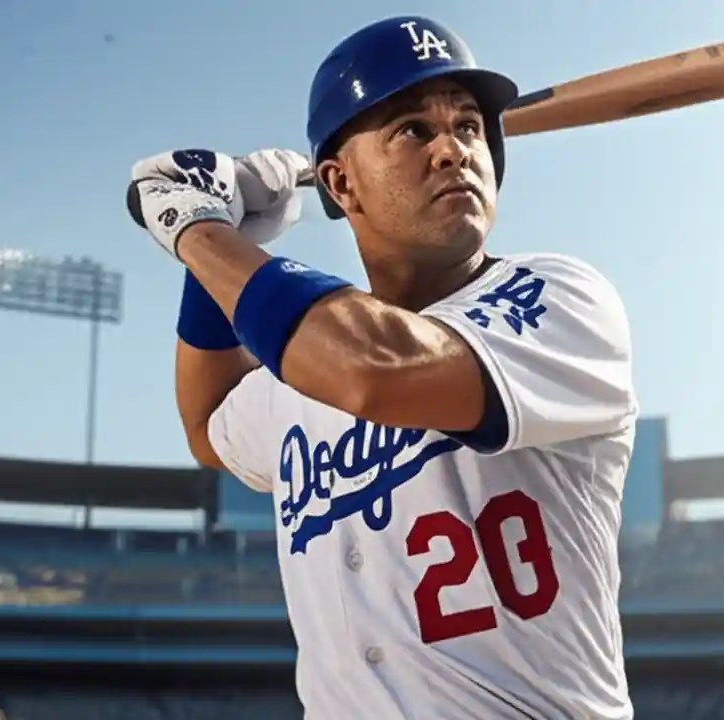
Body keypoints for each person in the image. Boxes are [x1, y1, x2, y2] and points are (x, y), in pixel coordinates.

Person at [125, 15, 639, 720]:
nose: (454, 150)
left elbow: (373, 367)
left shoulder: (558, 299)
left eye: (468, 125)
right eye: (413, 131)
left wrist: (198, 230)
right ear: (340, 183)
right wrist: (223, 246)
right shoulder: (305, 358)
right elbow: (209, 423)